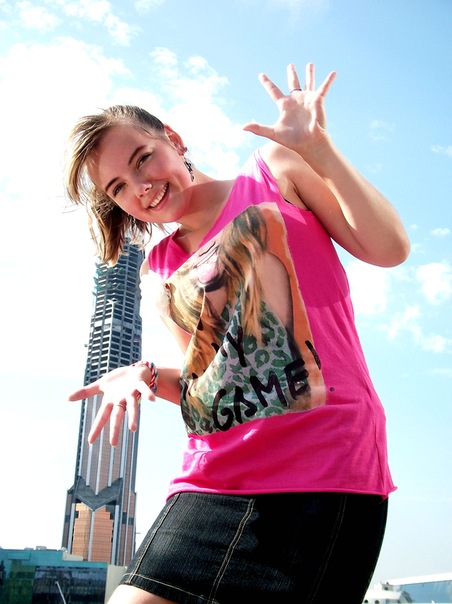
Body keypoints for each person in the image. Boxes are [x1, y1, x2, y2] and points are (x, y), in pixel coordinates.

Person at [65, 62, 410, 603]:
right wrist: (145, 374)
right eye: (119, 187)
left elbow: (389, 249)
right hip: (212, 477)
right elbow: (214, 384)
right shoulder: (158, 270)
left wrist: (319, 150)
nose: (142, 187)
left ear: (173, 139)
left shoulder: (275, 170)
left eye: (143, 159)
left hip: (324, 465)